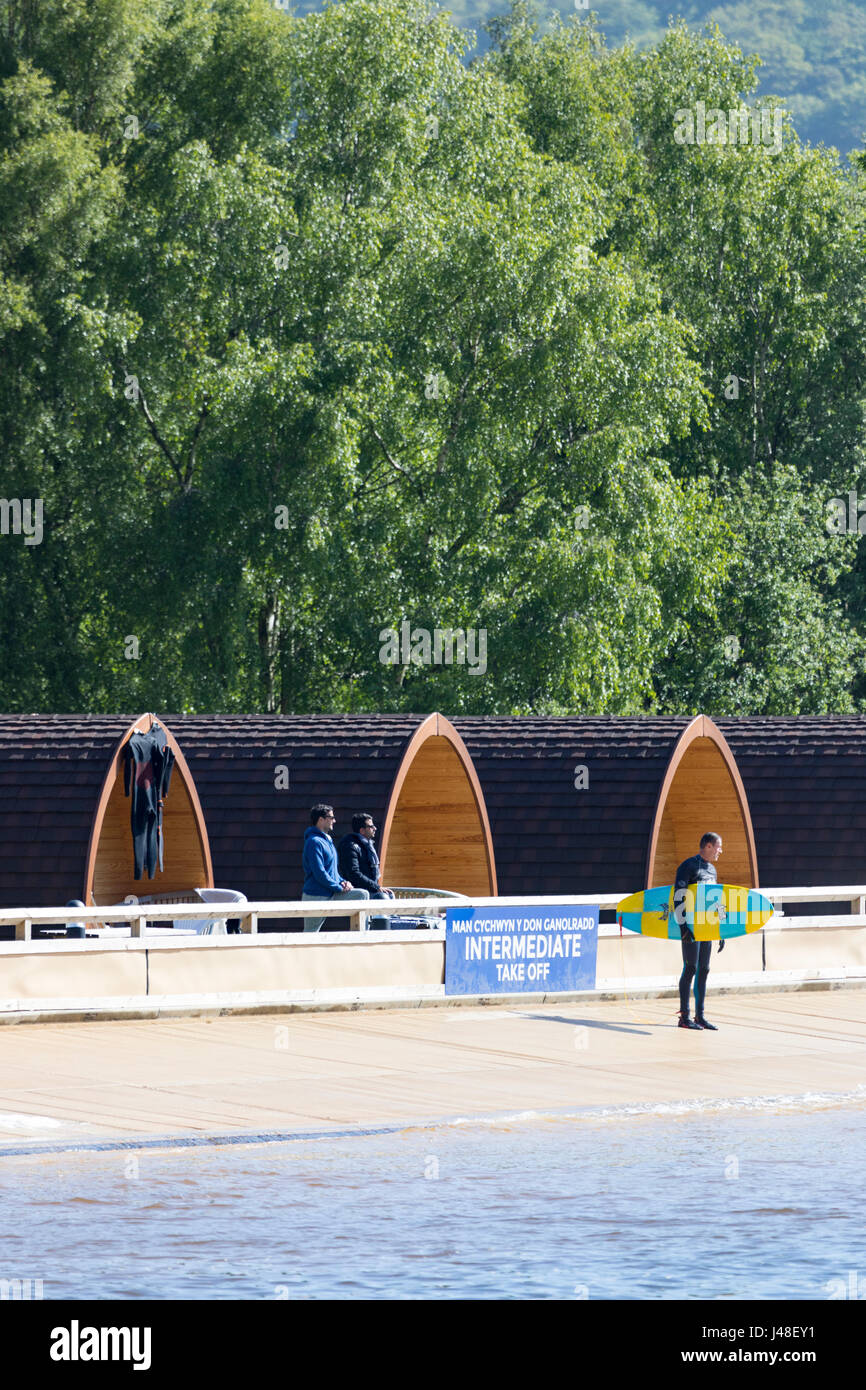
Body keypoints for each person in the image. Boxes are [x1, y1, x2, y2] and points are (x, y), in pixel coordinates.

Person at [673, 832, 725, 1031]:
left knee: (705, 968)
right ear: (709, 846)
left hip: (707, 926)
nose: (721, 850)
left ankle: (700, 1016)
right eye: (719, 847)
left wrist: (721, 931)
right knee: (691, 968)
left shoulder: (712, 870)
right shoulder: (688, 866)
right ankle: (684, 1017)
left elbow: (716, 900)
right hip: (690, 928)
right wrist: (683, 927)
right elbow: (679, 898)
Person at [302, 804, 369, 932]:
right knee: (310, 933)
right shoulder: (314, 842)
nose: (334, 820)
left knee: (362, 894)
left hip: (331, 892)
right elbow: (319, 873)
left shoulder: (328, 840)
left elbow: (332, 871)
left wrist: (343, 882)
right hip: (316, 895)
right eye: (331, 817)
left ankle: (360, 938)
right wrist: (339, 887)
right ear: (321, 819)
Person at [337, 814, 394, 901]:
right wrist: (375, 887)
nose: (375, 828)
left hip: (368, 888)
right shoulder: (350, 846)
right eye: (371, 827)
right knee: (383, 898)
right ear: (362, 830)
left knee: (389, 894)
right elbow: (354, 874)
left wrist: (376, 887)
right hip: (358, 892)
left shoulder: (366, 845)